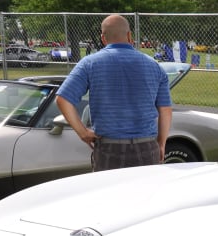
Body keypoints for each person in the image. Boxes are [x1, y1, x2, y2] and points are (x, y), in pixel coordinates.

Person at [55, 14, 172, 172]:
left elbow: (63, 99)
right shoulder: (154, 66)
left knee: (109, 189)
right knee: (145, 189)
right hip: (147, 148)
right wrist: (161, 143)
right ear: (129, 36)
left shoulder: (89, 63)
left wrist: (83, 132)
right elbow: (165, 110)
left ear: (103, 38)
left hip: (108, 149)